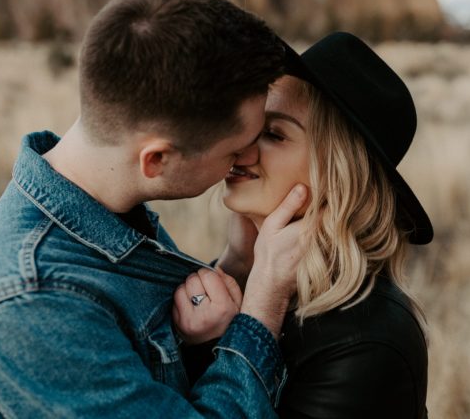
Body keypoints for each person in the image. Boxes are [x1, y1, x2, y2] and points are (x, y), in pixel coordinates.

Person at [0, 0, 309, 418]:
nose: (247, 158)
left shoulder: (107, 207)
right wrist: (263, 305)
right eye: (234, 149)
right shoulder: (31, 306)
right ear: (156, 160)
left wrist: (234, 268)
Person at [175, 32, 433, 418]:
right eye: (249, 126)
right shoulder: (254, 278)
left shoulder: (367, 340)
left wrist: (259, 310)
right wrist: (235, 272)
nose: (240, 148)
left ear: (337, 173)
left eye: (274, 134)